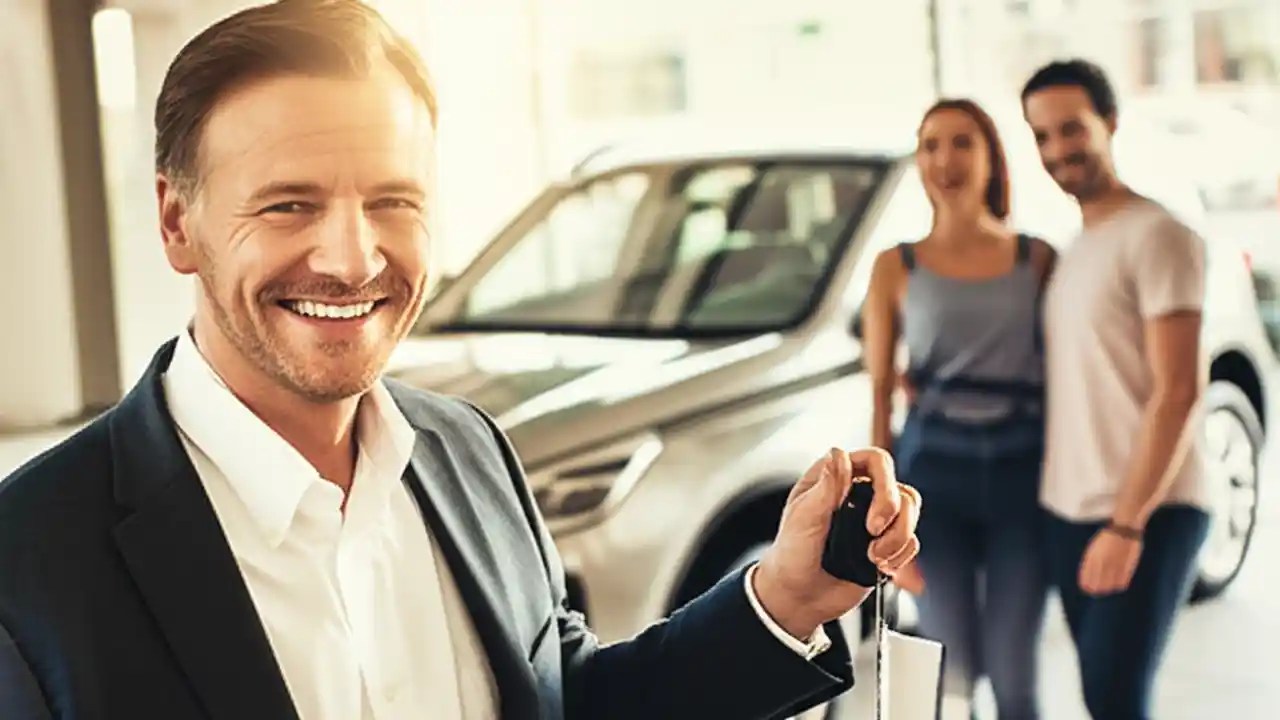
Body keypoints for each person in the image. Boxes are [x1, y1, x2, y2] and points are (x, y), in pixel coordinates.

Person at [0, 2, 925, 719]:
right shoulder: (31, 559)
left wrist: (785, 597)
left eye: (393, 201)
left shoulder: (468, 448)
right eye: (288, 205)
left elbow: (570, 700)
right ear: (178, 221)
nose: (352, 258)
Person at [1021, 59, 1210, 720]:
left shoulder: (1160, 235)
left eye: (1071, 129)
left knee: (1115, 699)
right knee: (1104, 697)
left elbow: (1180, 389)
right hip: (1071, 512)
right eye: (1041, 135)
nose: (1057, 149)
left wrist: (1126, 524)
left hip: (1144, 513)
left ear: (1110, 123)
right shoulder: (1077, 247)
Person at [861, 98, 1055, 718]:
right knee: (953, 673)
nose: (945, 159)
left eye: (962, 142)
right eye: (930, 145)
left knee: (1016, 676)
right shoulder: (895, 265)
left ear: (991, 157)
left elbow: (1070, 378)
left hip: (1023, 477)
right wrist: (881, 523)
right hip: (933, 481)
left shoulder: (1038, 258)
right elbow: (878, 399)